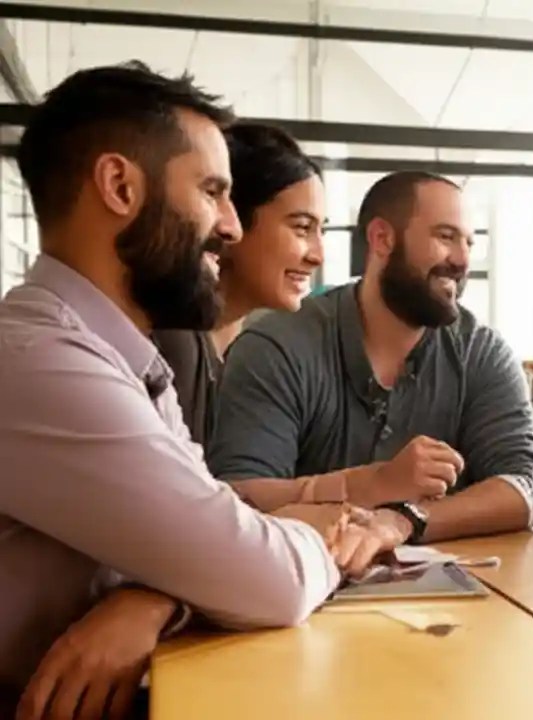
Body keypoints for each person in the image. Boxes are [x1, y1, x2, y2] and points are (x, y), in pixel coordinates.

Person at [0, 62, 397, 720]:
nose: (232, 227)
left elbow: (212, 533)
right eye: (212, 191)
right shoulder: (39, 364)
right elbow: (265, 576)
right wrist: (320, 533)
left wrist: (160, 597)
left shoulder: (123, 356)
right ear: (120, 185)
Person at [207, 170, 533, 542]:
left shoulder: (482, 353)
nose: (462, 259)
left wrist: (403, 521)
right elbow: (238, 499)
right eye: (445, 236)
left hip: (459, 589)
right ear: (382, 238)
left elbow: (523, 487)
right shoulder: (278, 346)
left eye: (469, 241)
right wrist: (374, 485)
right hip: (303, 588)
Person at [153, 122, 325, 445]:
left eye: (321, 230)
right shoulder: (173, 344)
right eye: (302, 228)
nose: (317, 256)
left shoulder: (253, 353)